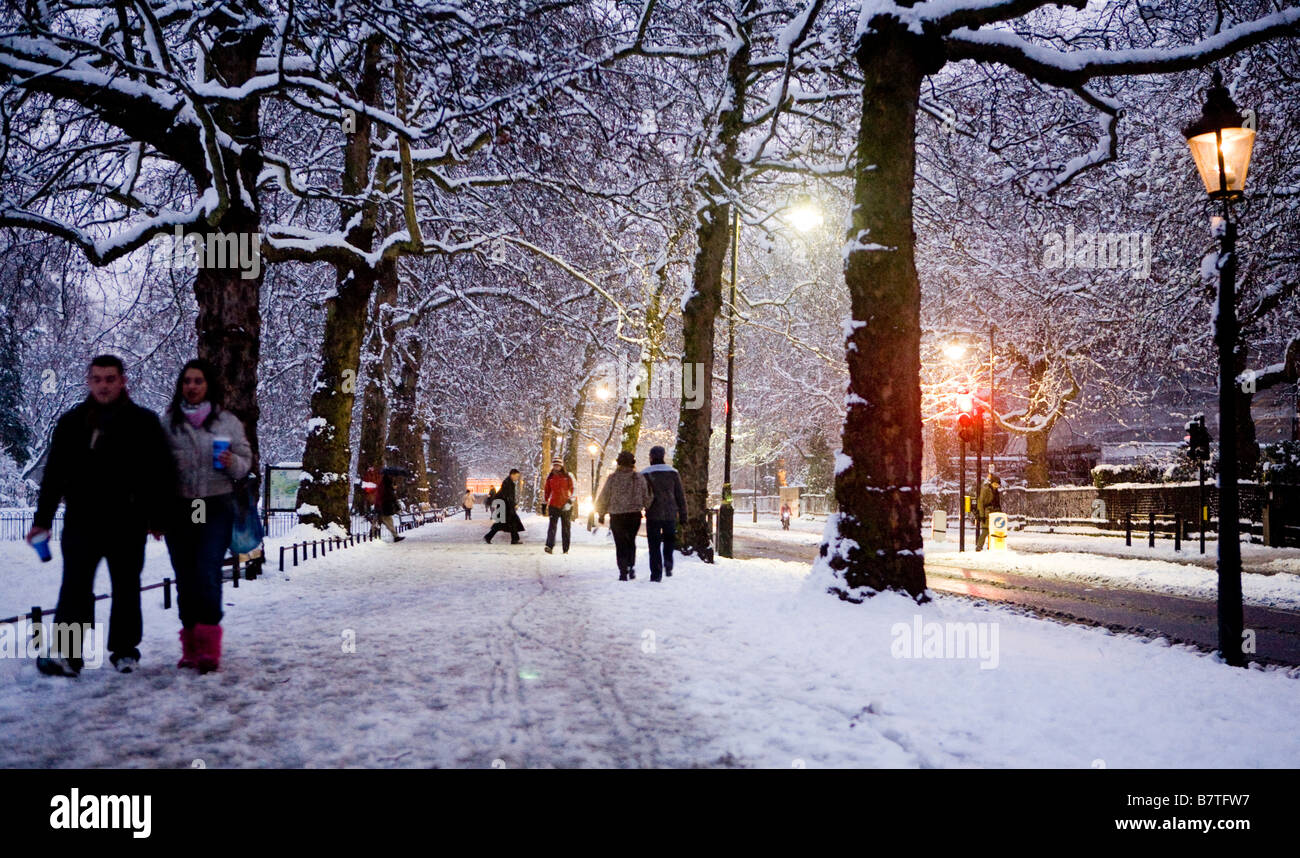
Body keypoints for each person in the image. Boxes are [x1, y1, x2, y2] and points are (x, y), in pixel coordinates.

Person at [26, 355, 174, 676]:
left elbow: (159, 474)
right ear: (88, 381)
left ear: (122, 381)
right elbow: (54, 476)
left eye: (110, 379)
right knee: (75, 588)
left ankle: (124, 651)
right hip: (82, 521)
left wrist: (158, 518)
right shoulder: (72, 422)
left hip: (128, 521)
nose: (103, 385)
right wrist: (42, 521)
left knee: (126, 586)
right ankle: (68, 655)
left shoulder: (144, 422)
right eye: (97, 379)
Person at [159, 358, 252, 674]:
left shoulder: (227, 422)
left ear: (208, 385)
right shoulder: (168, 423)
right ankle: (190, 647)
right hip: (180, 508)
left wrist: (231, 463)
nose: (192, 386)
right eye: (187, 381)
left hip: (214, 506)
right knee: (185, 577)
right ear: (180, 386)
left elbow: (245, 462)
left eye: (198, 381)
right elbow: (154, 469)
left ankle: (209, 647)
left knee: (207, 572)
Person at [595, 451, 653, 581]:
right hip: (634, 515)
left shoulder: (612, 478)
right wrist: (648, 507)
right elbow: (646, 495)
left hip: (617, 515)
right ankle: (630, 566)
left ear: (618, 463)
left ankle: (623, 569)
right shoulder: (639, 478)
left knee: (620, 543)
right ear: (633, 463)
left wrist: (601, 513)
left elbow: (604, 496)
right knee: (630, 541)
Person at [640, 446, 685, 582]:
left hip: (653, 513)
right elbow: (680, 495)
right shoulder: (673, 473)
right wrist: (683, 514)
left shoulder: (645, 473)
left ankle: (656, 573)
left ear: (651, 457)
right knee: (669, 540)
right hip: (670, 513)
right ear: (663, 456)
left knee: (653, 545)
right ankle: (668, 561)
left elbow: (642, 494)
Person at [542, 458, 575, 554]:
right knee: (552, 526)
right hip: (553, 505)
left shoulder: (568, 476)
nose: (557, 467)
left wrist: (570, 501)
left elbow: (574, 489)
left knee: (566, 528)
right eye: (555, 465)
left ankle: (565, 549)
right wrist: (544, 504)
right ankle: (549, 546)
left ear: (562, 466)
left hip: (566, 506)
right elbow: (547, 491)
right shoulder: (550, 477)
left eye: (558, 465)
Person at [484, 469, 525, 544]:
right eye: (516, 476)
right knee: (505, 522)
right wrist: (513, 504)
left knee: (508, 522)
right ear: (512, 474)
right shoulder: (508, 483)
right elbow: (508, 496)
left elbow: (508, 496)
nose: (517, 478)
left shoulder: (508, 482)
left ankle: (514, 539)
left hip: (505, 506)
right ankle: (489, 537)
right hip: (506, 506)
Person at [373, 472, 405, 542]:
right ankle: (395, 536)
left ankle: (372, 537)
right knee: (388, 522)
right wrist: (393, 489)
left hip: (380, 506)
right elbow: (391, 497)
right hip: (384, 507)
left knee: (378, 522)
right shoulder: (386, 486)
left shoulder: (384, 484)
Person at [976, 472, 1002, 551]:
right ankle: (979, 547)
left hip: (995, 513)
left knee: (993, 530)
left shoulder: (996, 491)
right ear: (992, 483)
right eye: (996, 484)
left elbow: (997, 503)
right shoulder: (986, 490)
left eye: (998, 485)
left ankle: (990, 546)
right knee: (985, 530)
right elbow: (981, 502)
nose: (997, 486)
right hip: (987, 513)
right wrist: (981, 515)